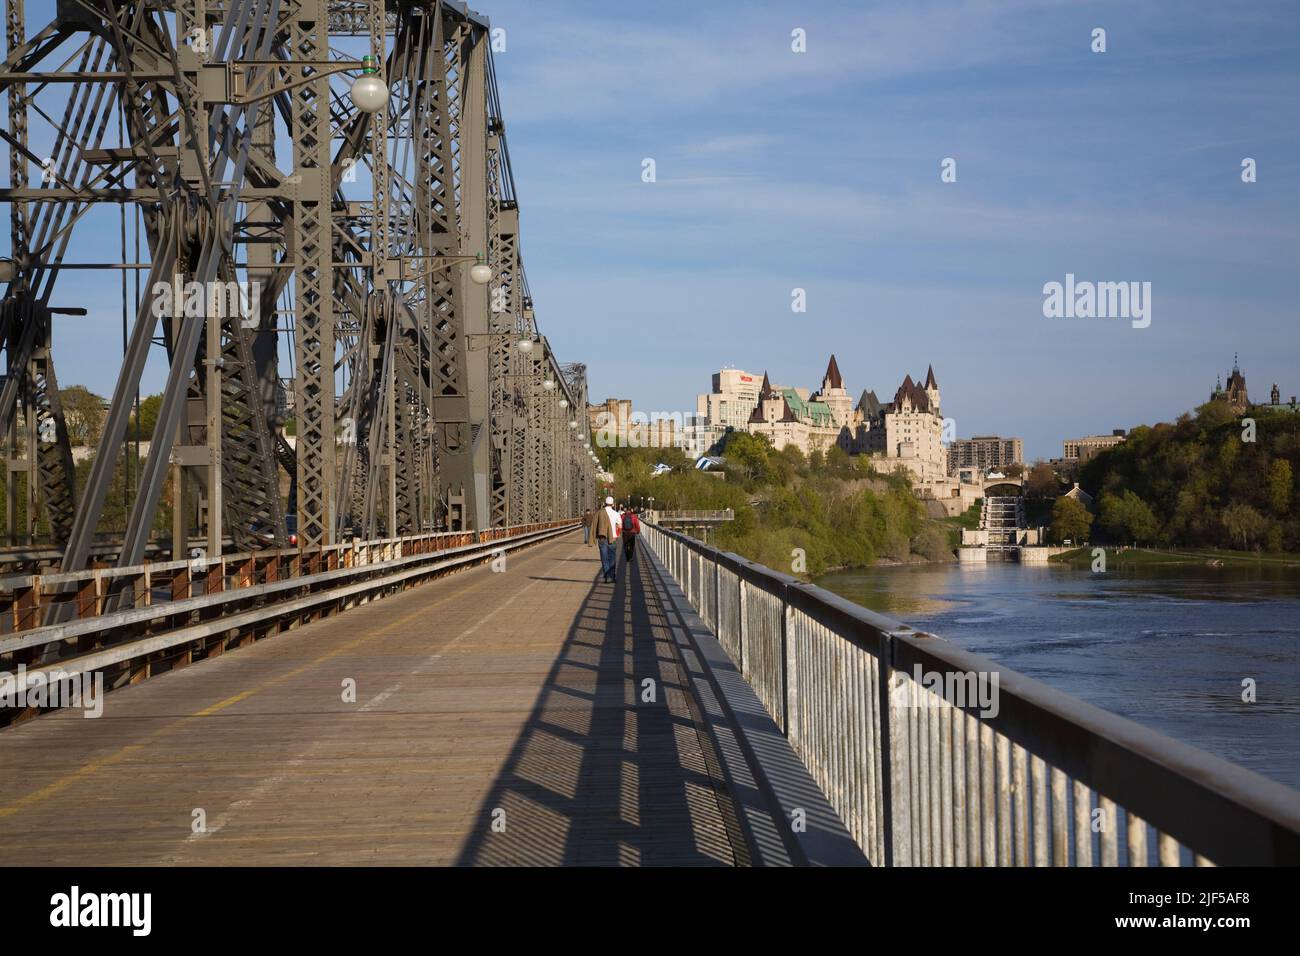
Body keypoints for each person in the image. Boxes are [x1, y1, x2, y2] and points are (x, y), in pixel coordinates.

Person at [589, 496, 621, 583]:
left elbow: (594, 524)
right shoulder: (616, 513)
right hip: (613, 539)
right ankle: (612, 576)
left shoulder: (599, 513)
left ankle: (607, 577)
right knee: (612, 558)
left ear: (605, 503)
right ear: (613, 504)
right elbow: (620, 526)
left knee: (604, 558)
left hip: (602, 538)